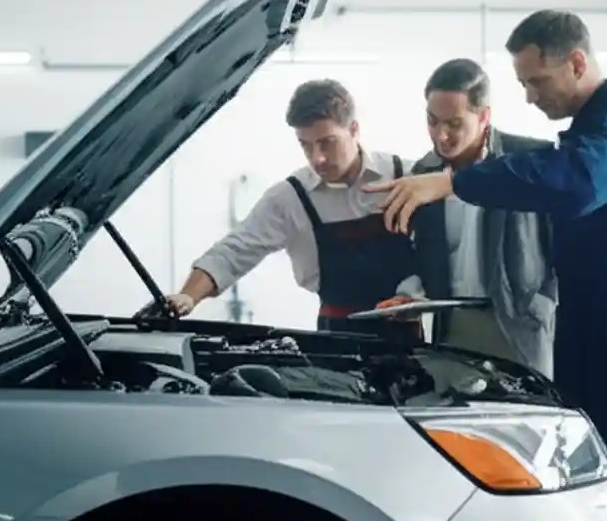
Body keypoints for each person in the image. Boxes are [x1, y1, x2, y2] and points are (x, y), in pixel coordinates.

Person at [364, 11, 607, 521]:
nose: (529, 95)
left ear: (576, 62)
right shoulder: (589, 130)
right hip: (587, 320)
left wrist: (451, 181)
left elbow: (572, 184)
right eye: (521, 83)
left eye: (536, 82)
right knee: (592, 483)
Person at [165, 79, 419, 341]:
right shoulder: (290, 198)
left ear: (354, 129)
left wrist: (415, 295)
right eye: (305, 145)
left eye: (327, 142)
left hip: (409, 338)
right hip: (336, 342)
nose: (317, 158)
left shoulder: (408, 177)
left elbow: (444, 254)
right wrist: (187, 295)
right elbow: (234, 250)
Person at [376, 58, 557, 375]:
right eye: (432, 121)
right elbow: (428, 256)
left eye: (454, 124)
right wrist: (410, 296)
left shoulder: (531, 159)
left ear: (484, 116)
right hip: (453, 328)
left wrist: (543, 302)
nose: (441, 135)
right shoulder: (424, 173)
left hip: (520, 325)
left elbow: (563, 246)